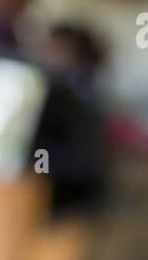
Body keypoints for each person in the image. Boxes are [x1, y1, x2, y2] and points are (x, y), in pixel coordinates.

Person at [29, 22, 111, 215]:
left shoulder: (73, 96)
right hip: (68, 192)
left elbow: (74, 158)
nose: (44, 54)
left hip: (65, 197)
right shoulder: (69, 91)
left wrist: (36, 170)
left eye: (54, 49)